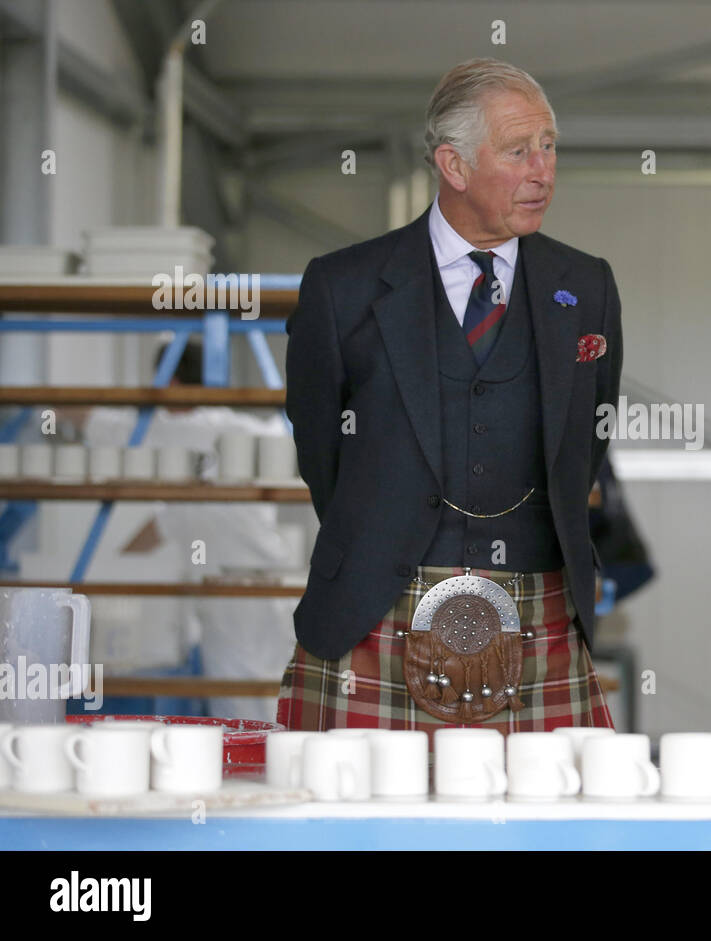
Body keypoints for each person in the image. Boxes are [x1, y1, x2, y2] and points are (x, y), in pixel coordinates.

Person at [279, 58, 623, 737]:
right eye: (519, 151)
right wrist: (387, 532)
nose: (543, 171)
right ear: (453, 165)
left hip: (539, 605)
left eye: (549, 147)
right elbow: (321, 454)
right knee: (356, 838)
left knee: (545, 839)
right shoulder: (341, 288)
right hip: (374, 607)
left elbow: (586, 446)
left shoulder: (587, 287)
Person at [80, 340, 299, 722]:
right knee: (269, 691)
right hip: (269, 588)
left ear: (174, 384)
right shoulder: (244, 431)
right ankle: (272, 763)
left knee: (238, 698)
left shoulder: (173, 431)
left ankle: (254, 768)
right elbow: (169, 520)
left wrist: (47, 409)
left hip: (232, 592)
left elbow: (97, 421)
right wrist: (118, 564)